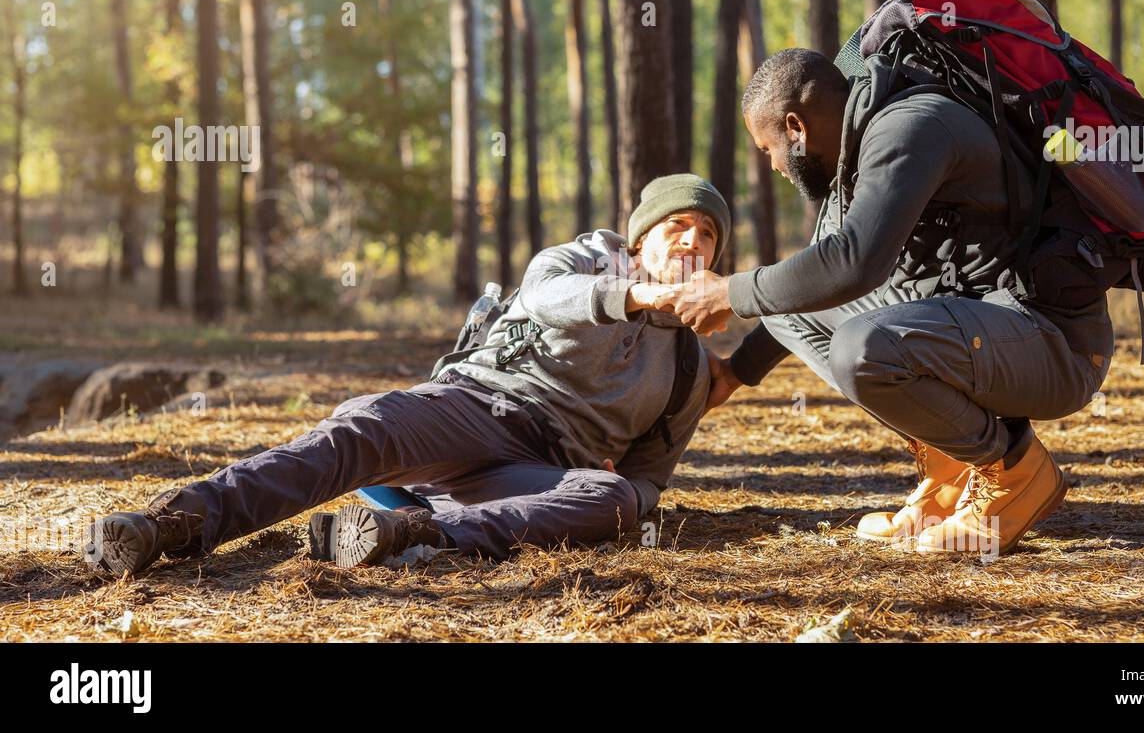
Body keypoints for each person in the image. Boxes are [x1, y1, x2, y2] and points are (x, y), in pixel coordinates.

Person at [83, 174, 731, 575]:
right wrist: (643, 298)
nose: (691, 241)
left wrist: (625, 492)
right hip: (474, 406)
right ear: (639, 238)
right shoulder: (579, 261)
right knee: (364, 423)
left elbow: (649, 479)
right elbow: (545, 298)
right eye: (676, 225)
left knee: (612, 501)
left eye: (706, 236)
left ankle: (415, 535)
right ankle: (174, 522)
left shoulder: (688, 365)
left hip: (538, 474)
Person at [664, 48, 1112, 556]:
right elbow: (815, 286)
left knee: (865, 348)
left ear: (795, 126)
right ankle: (950, 476)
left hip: (1055, 345)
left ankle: (1013, 471)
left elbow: (854, 263)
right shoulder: (862, 145)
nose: (772, 167)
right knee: (790, 305)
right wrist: (735, 372)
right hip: (991, 332)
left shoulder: (911, 128)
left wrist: (729, 292)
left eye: (767, 148)